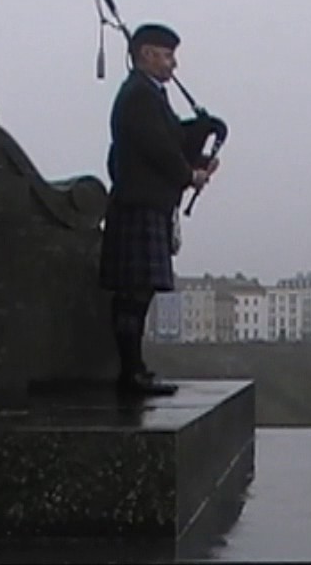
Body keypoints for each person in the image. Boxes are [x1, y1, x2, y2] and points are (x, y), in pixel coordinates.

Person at [100, 23, 219, 397]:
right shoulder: (139, 95)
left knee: (139, 294)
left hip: (144, 203)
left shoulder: (149, 95)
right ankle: (130, 373)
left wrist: (201, 134)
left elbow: (170, 139)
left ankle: (135, 370)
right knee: (134, 295)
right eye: (167, 55)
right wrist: (190, 176)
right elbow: (159, 149)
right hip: (139, 205)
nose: (173, 64)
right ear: (147, 54)